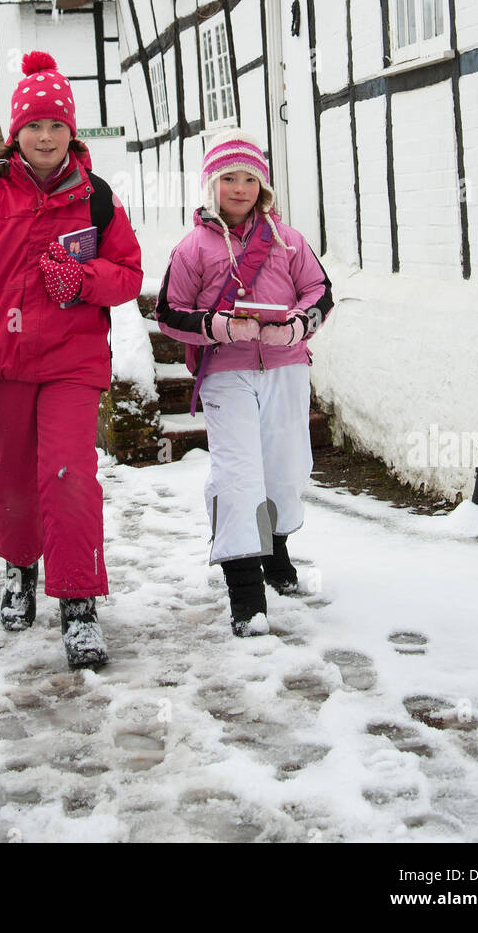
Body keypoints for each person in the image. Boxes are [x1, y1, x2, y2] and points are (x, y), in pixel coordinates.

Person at [0, 51, 143, 669]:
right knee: (15, 477)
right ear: (15, 133)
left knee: (70, 475)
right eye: (33, 126)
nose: (45, 137)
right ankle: (19, 569)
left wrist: (82, 280)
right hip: (4, 363)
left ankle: (78, 603)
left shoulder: (97, 199)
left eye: (56, 125)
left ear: (71, 132)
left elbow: (128, 275)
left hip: (73, 365)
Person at [156, 128, 333, 636]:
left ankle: (276, 561)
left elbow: (320, 292)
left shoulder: (288, 239)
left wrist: (299, 324)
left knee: (285, 466)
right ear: (211, 184)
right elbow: (169, 312)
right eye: (229, 178)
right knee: (238, 474)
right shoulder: (192, 248)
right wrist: (219, 327)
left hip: (287, 367)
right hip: (226, 373)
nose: (239, 188)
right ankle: (246, 596)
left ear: (263, 185)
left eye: (249, 178)